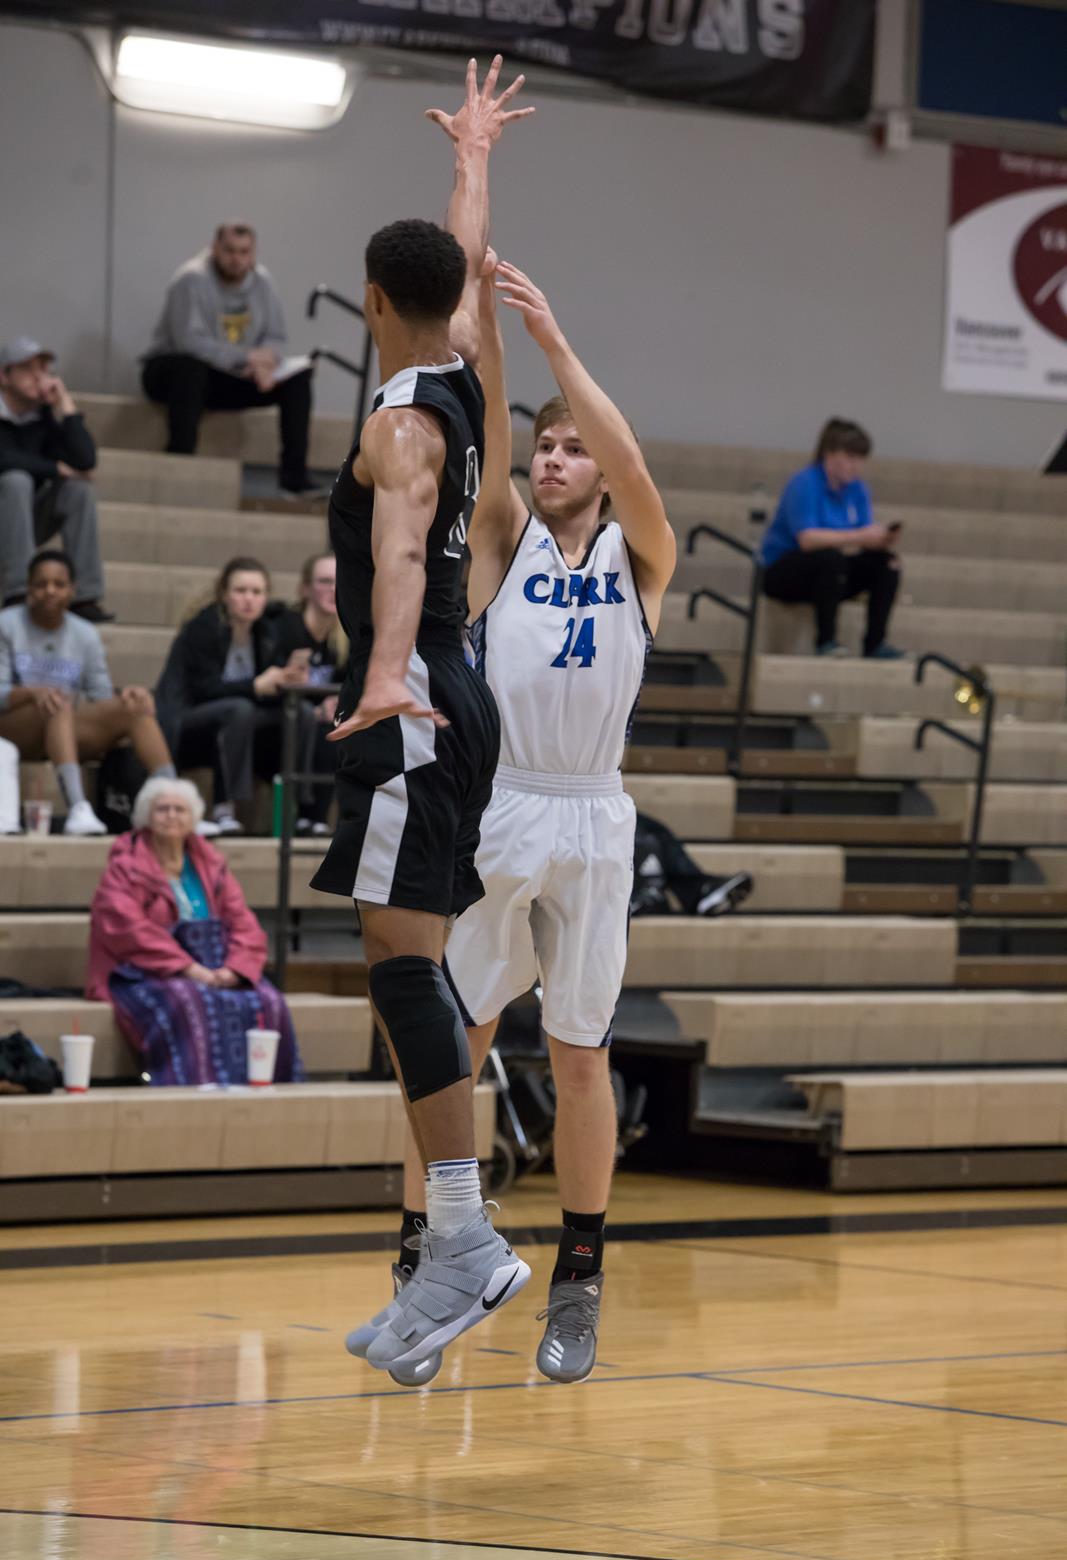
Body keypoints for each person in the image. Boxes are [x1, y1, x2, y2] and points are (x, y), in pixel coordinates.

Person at [380, 257, 676, 1386]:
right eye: (545, 447)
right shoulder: (502, 539)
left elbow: (632, 462)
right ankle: (425, 1263)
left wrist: (556, 338)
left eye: (569, 448)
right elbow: (490, 417)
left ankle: (579, 1277)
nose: (552, 458)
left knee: (579, 1056)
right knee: (449, 1046)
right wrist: (494, 323)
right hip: (502, 805)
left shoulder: (641, 558)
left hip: (594, 813)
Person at [310, 57, 533, 1389]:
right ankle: (449, 1242)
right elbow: (470, 263)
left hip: (423, 688)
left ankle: (459, 1241)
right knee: (407, 959)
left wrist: (383, 673)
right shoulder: (457, 369)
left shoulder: (400, 421)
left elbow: (397, 549)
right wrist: (472, 159)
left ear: (371, 301)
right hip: (462, 688)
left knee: (401, 968)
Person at [87, 776, 302, 1085]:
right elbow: (126, 927)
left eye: (180, 810)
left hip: (216, 963)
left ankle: (266, 1087)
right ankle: (196, 1087)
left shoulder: (211, 862)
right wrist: (188, 968)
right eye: (162, 809)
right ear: (147, 816)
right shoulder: (126, 865)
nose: (171, 816)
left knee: (269, 1001)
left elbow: (242, 921)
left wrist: (235, 969)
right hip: (143, 970)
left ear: (193, 818)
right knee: (189, 1002)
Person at [0, 551, 174, 836]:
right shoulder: (7, 624)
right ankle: (78, 808)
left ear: (72, 590)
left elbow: (100, 695)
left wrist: (125, 696)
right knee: (59, 701)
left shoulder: (85, 633)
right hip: (15, 726)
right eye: (41, 584)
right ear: (29, 588)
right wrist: (32, 694)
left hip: (63, 725)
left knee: (134, 708)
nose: (50, 591)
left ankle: (175, 800)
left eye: (59, 584)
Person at [141, 222, 318, 497]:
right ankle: (179, 463)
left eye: (244, 252)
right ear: (215, 249)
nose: (237, 259)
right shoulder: (191, 278)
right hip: (172, 375)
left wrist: (264, 364)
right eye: (229, 251)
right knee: (190, 368)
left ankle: (294, 478)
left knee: (298, 377)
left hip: (234, 375)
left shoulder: (263, 281)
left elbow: (276, 337)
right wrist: (246, 358)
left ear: (253, 253)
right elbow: (189, 341)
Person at [154, 556, 318, 837]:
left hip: (242, 724)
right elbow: (203, 689)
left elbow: (265, 693)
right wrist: (255, 686)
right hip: (188, 721)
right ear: (224, 594)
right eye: (240, 591)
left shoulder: (266, 632)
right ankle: (224, 809)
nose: (248, 599)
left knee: (301, 712)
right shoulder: (203, 627)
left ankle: (302, 810)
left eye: (257, 592)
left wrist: (285, 682)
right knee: (239, 709)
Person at [759, 418, 903, 660]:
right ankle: (826, 641)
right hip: (782, 572)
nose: (856, 466)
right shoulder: (805, 483)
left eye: (860, 458)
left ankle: (875, 644)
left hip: (829, 575)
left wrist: (879, 539)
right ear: (829, 454)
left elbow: (862, 537)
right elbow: (807, 540)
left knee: (887, 563)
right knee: (830, 558)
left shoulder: (858, 489)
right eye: (850, 457)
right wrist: (860, 535)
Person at [0, 337, 112, 620]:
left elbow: (86, 461)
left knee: (79, 489)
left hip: (25, 520)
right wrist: (55, 468)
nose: (39, 377)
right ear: (4, 376)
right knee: (16, 480)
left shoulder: (43, 417)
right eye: (27, 369)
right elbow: (4, 458)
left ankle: (84, 597)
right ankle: (20, 591)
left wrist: (66, 406)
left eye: (43, 369)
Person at [272, 553, 345, 836]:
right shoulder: (285, 627)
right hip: (281, 717)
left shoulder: (347, 635)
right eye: (324, 581)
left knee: (333, 729)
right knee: (307, 720)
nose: (333, 589)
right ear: (304, 589)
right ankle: (300, 812)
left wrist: (337, 701)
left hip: (323, 721)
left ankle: (315, 817)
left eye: (339, 582)